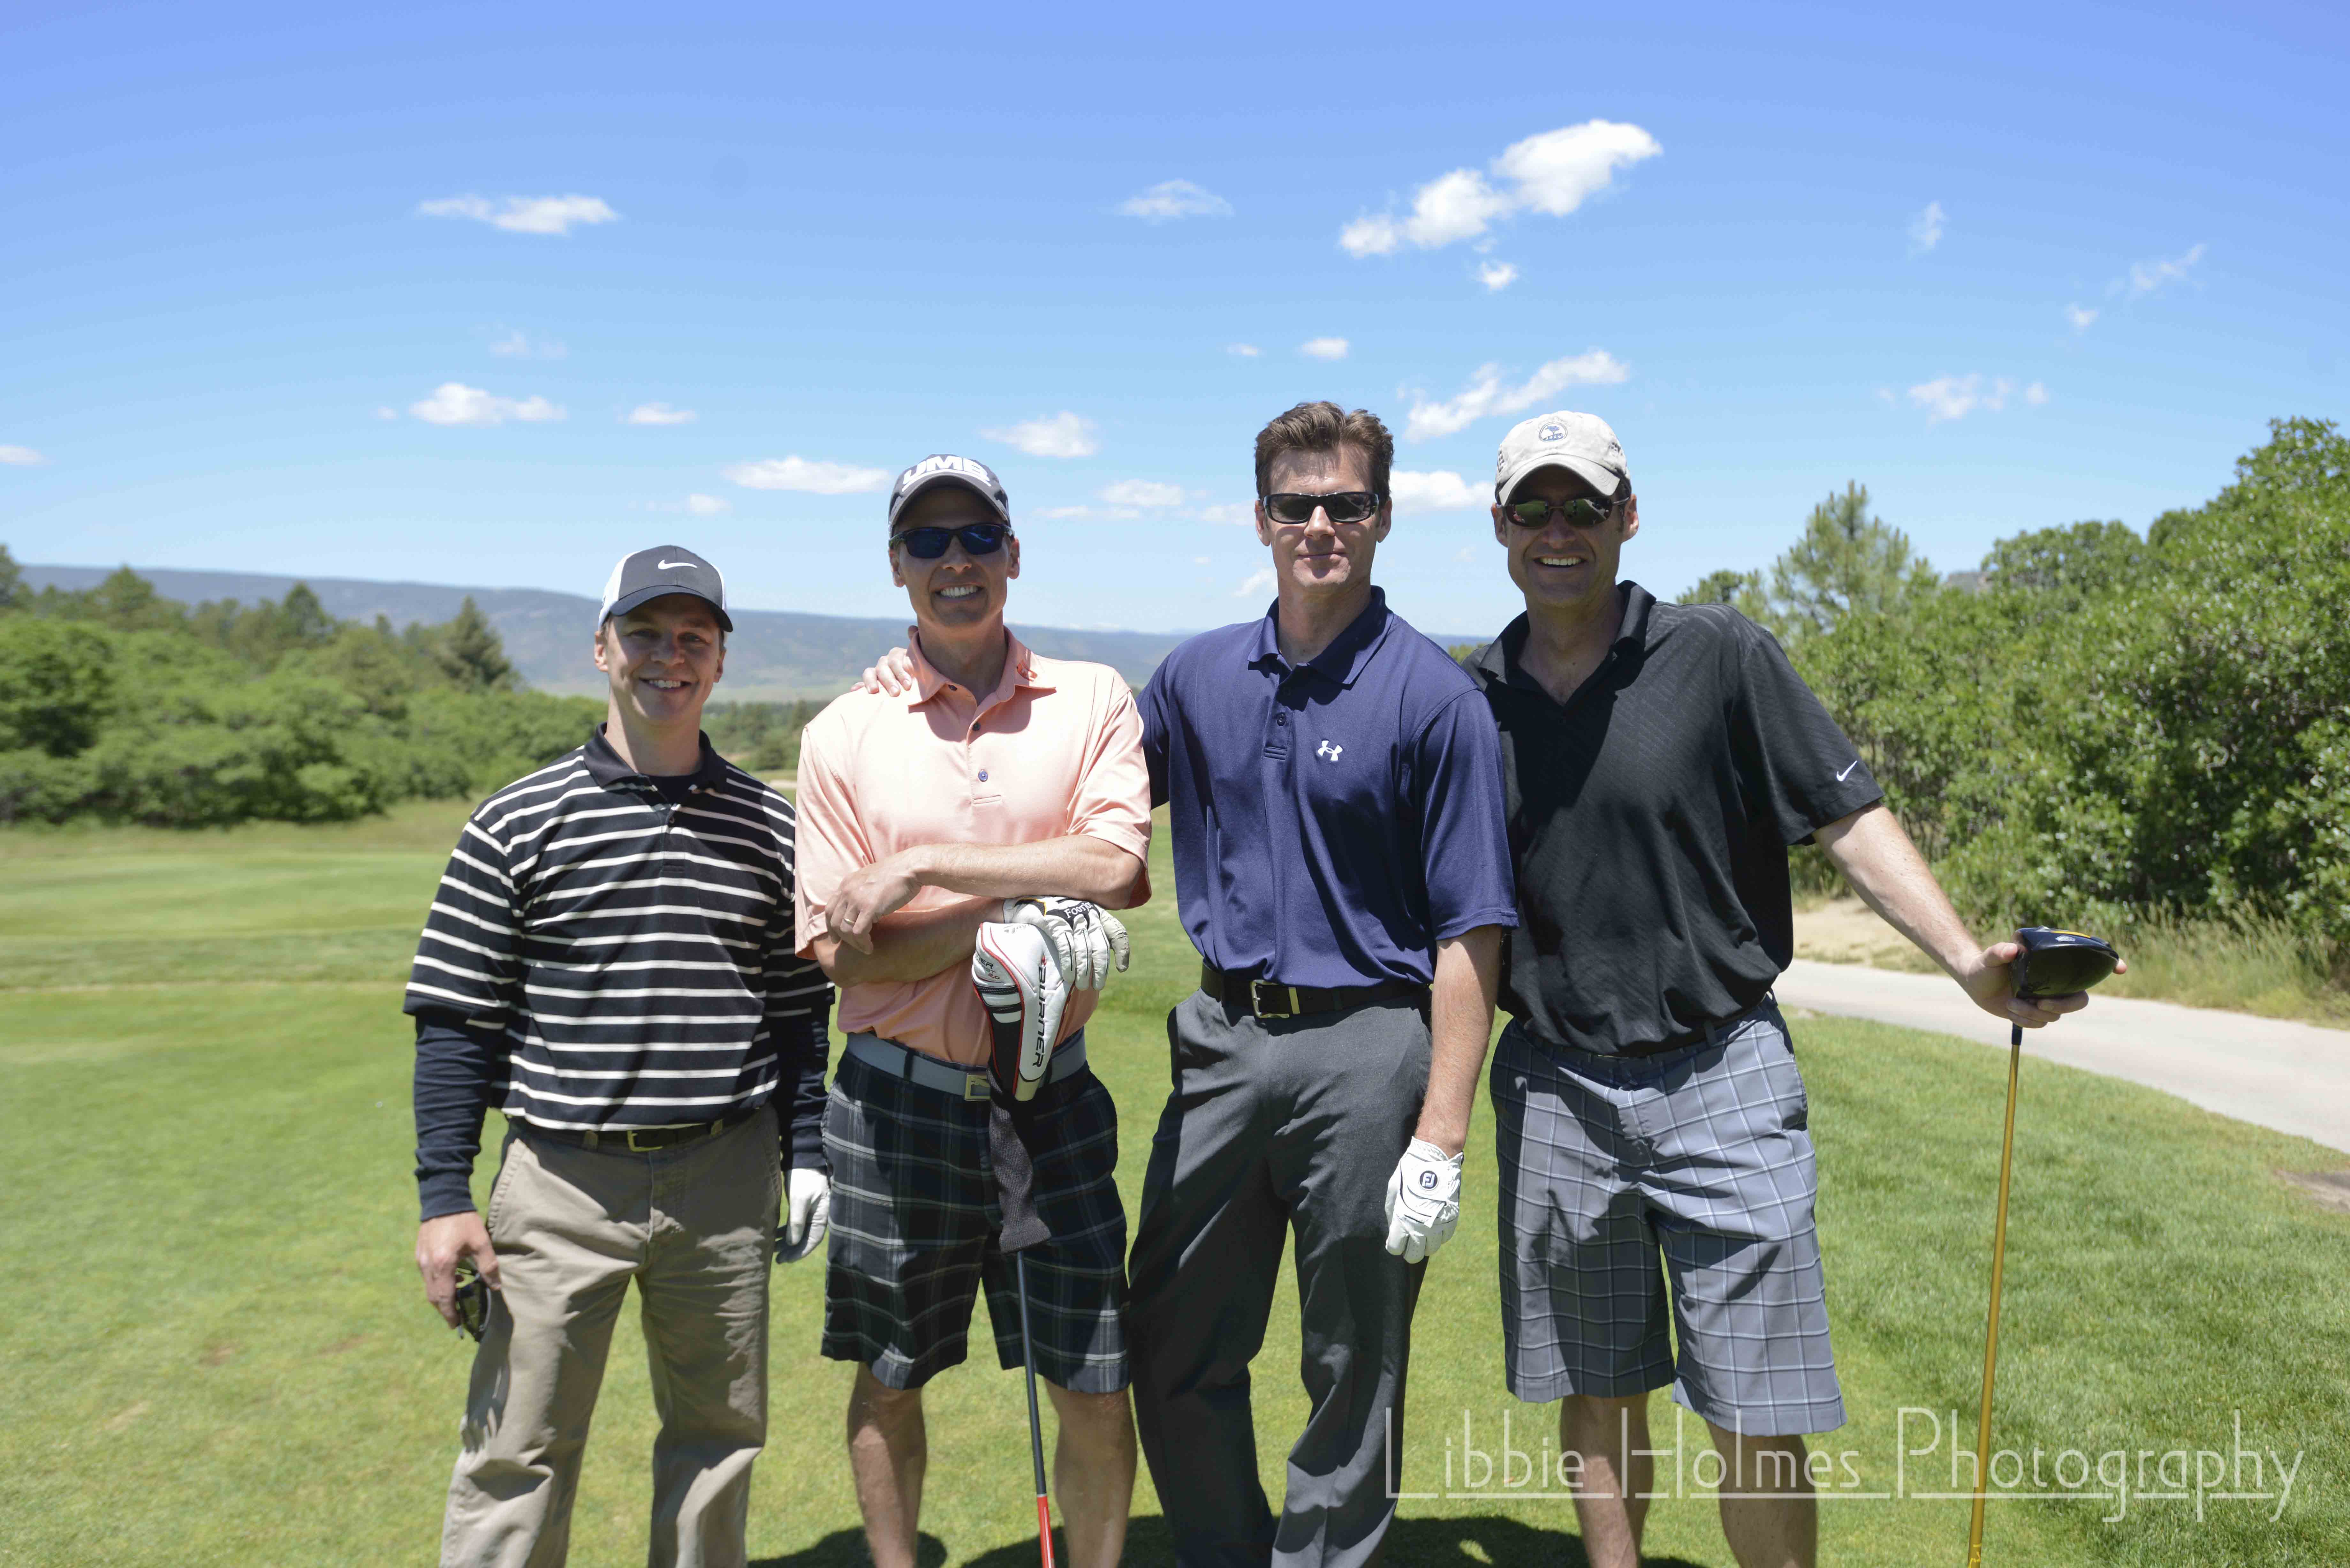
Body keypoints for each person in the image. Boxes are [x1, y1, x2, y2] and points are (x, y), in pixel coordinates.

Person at [1465, 411, 2121, 1568]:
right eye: (1535, 508)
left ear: (1628, 515)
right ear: (1501, 525)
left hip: (1724, 1068)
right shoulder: (1474, 701)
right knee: (1598, 1386)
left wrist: (1968, 963)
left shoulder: (1719, 653)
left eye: (1583, 506)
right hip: (1557, 1083)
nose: (1558, 531)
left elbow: (1847, 818)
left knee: (1757, 1402)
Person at [1127, 402, 1517, 1567]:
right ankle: (1226, 1549)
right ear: (1261, 519)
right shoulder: (1195, 678)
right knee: (1173, 1331)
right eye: (1296, 506)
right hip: (1222, 1037)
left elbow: (1472, 934)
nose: (1320, 526)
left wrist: (1442, 1134)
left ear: (1383, 517)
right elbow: (1089, 804)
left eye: (1346, 505)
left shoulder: (1436, 699)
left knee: (1354, 1355)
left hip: (1369, 1047)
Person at [406, 545, 834, 1568]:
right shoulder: (516, 820)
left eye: (695, 638)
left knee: (718, 1443)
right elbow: (456, 1015)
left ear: (722, 662)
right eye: (645, 633)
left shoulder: (774, 828)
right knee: (518, 1451)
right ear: (602, 649)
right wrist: (442, 1194)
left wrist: (807, 1151)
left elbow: (796, 1014)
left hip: (726, 1175)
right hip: (561, 1180)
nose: (668, 657)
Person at [793, 453, 1152, 1568]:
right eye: (928, 543)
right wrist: (1020, 910)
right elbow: (848, 961)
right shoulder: (842, 732)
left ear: (1014, 553)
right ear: (898, 566)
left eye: (977, 538)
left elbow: (1116, 868)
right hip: (897, 1108)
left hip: (1056, 1099)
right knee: (892, 1376)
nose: (957, 562)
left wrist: (926, 868)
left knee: (1096, 1381)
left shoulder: (1092, 697)